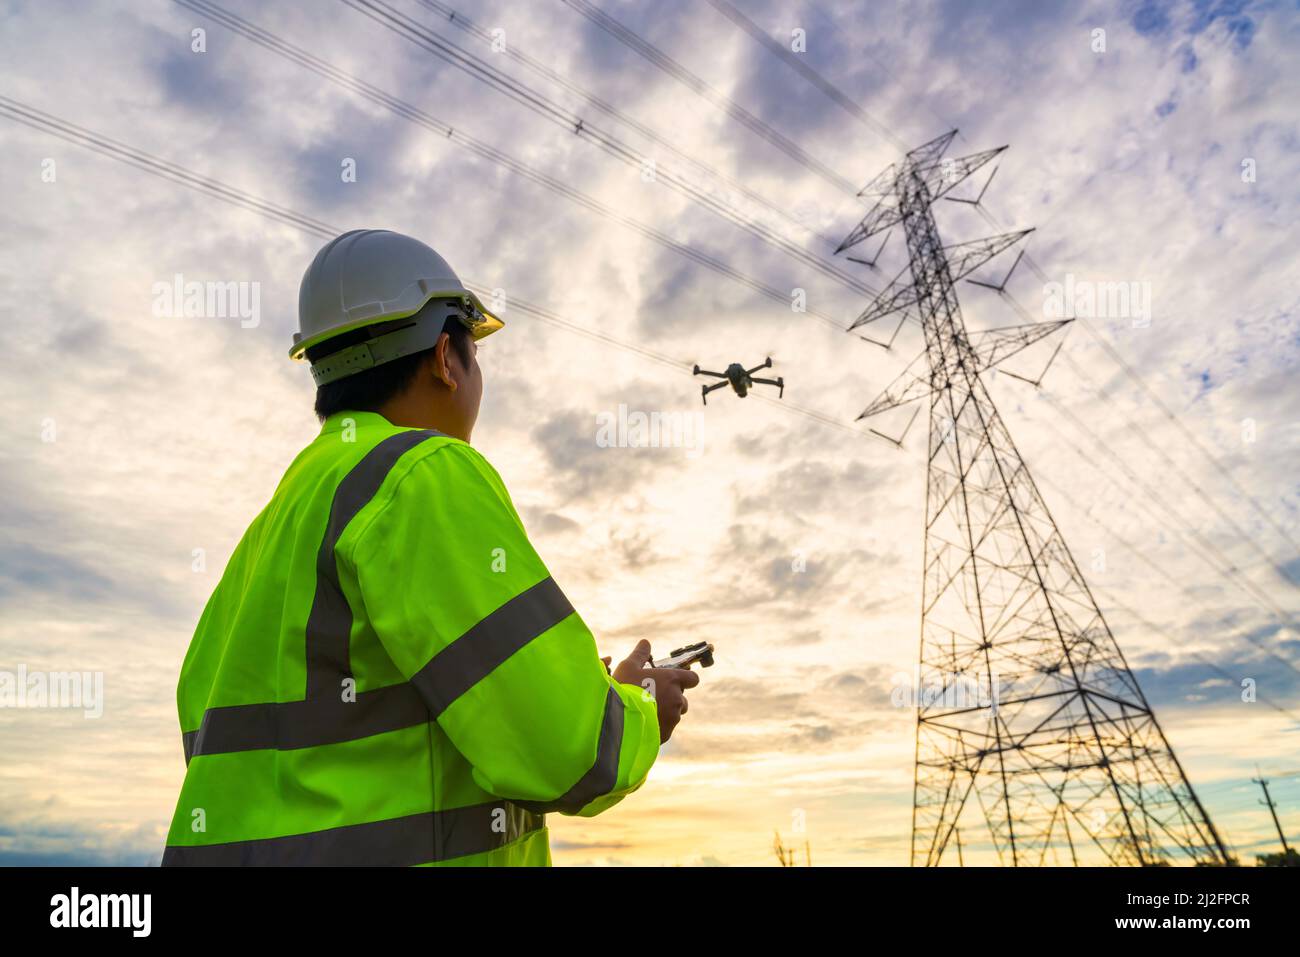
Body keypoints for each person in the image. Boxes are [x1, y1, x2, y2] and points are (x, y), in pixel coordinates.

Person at [162, 228, 698, 866]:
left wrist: (580, 689)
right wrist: (638, 710)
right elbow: (563, 753)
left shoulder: (275, 527)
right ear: (447, 356)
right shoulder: (421, 473)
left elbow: (325, 750)